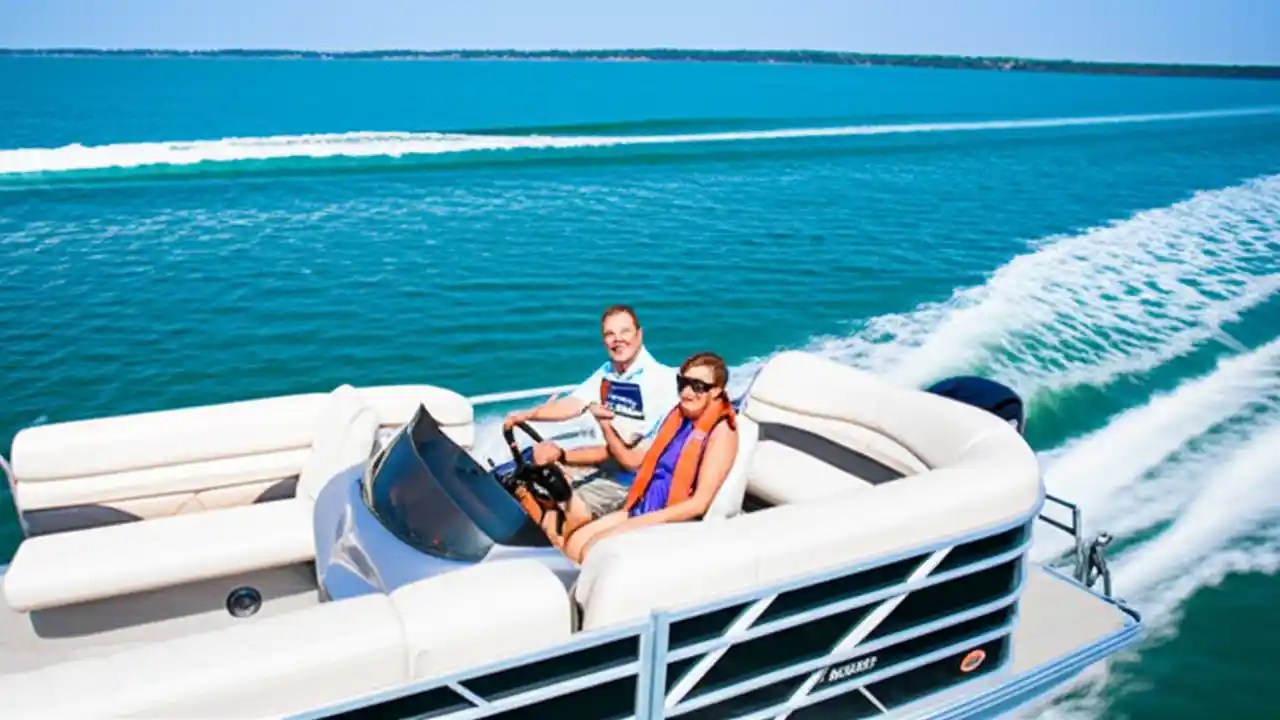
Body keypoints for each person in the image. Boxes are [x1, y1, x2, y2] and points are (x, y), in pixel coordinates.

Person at [504, 304, 680, 540]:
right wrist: (527, 415)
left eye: (625, 332)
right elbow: (574, 403)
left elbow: (630, 458)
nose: (618, 340)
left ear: (639, 334)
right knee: (521, 478)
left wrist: (563, 456)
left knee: (559, 509)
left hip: (630, 483)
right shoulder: (609, 373)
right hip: (602, 467)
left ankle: (562, 556)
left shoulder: (661, 384)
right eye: (610, 334)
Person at [558, 351, 740, 563]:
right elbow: (635, 460)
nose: (687, 392)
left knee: (592, 549)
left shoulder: (722, 432)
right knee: (573, 544)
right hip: (641, 508)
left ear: (716, 391)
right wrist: (604, 424)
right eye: (683, 382)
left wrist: (635, 524)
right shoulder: (678, 418)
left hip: (668, 523)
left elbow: (699, 504)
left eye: (698, 386)